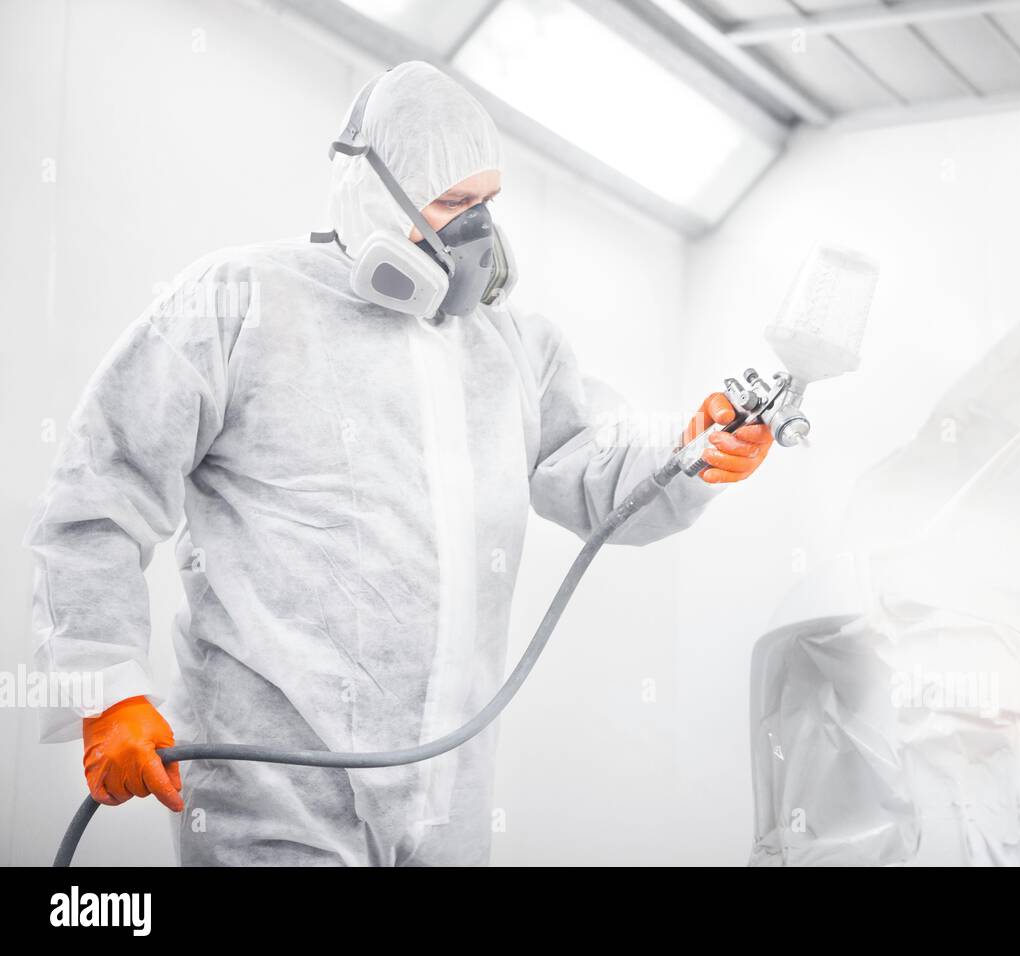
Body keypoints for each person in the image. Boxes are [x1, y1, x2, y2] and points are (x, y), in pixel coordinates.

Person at [26, 61, 772, 866]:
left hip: (447, 798)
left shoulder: (512, 345)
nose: (477, 231)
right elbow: (101, 489)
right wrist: (106, 690)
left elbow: (591, 471)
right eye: (452, 203)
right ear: (375, 197)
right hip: (269, 792)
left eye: (486, 202)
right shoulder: (240, 303)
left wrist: (692, 453)